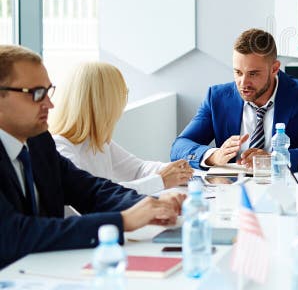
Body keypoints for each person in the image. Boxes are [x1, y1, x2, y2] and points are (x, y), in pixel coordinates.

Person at [0, 45, 182, 268]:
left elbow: (90, 190)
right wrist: (122, 221)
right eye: (37, 94)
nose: (49, 104)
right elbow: (14, 234)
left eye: (48, 92)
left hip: (42, 271)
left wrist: (150, 205)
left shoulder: (39, 142)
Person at [171, 28, 298, 170]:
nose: (243, 83)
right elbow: (179, 146)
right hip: (230, 191)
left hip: (283, 188)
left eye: (253, 74)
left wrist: (273, 160)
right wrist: (213, 156)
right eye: (238, 72)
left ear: (274, 69)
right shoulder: (217, 97)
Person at [49, 62, 193, 195]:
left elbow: (138, 169)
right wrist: (160, 180)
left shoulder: (97, 142)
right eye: (122, 95)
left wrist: (176, 171)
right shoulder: (60, 149)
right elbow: (97, 195)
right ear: (105, 103)